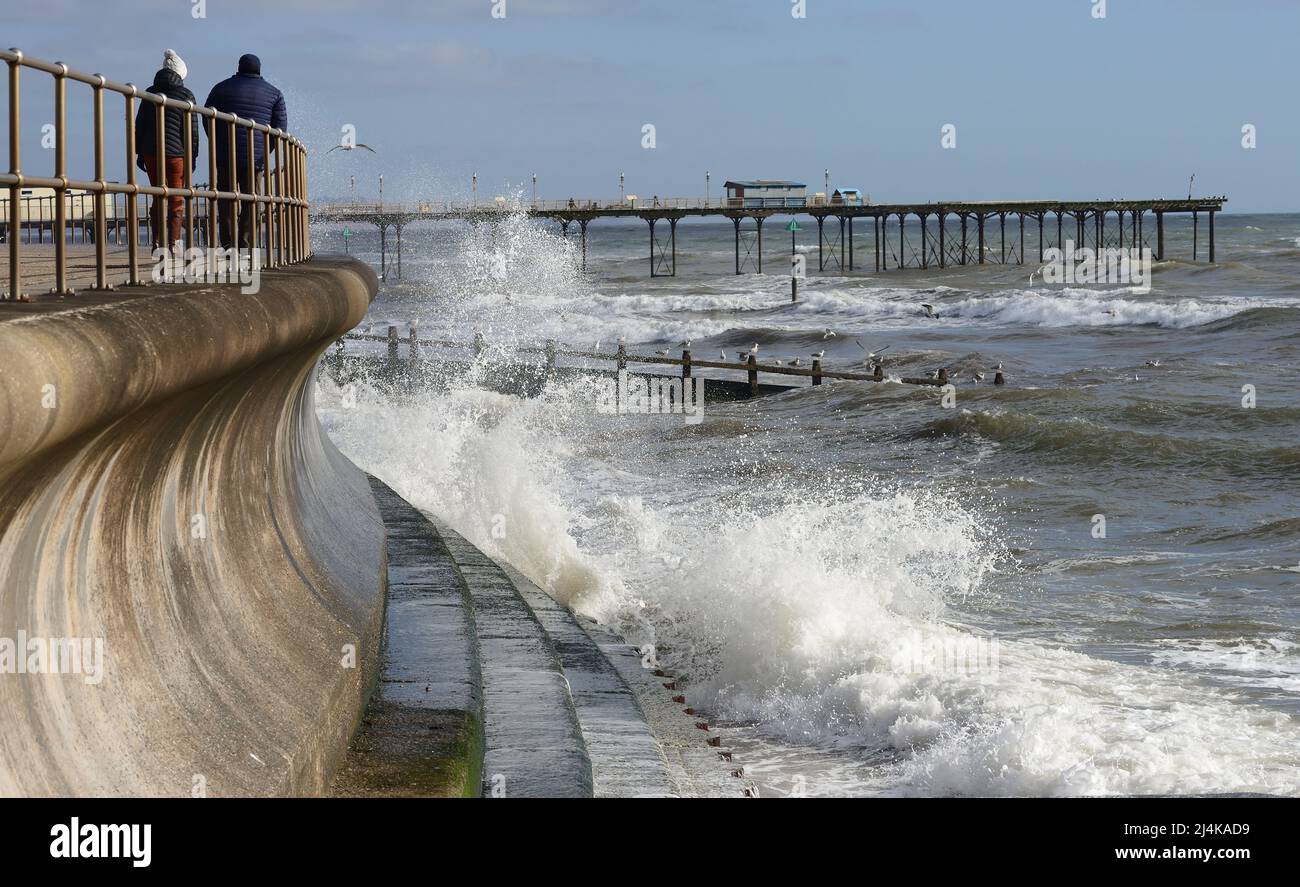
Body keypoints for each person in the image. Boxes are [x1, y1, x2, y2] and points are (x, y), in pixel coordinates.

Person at [204, 54, 287, 251]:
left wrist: (217, 142)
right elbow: (280, 129)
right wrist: (267, 151)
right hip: (255, 157)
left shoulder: (220, 88)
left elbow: (207, 116)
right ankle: (246, 245)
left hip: (225, 155)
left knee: (225, 196)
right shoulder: (274, 93)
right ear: (259, 69)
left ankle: (227, 244)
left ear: (239, 67)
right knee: (252, 199)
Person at [134, 49, 200, 252]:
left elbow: (140, 125)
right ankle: (174, 244)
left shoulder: (149, 93)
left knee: (157, 196)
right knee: (176, 199)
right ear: (181, 74)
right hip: (176, 154)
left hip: (151, 153)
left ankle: (156, 243)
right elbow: (192, 131)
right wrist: (193, 156)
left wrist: (139, 153)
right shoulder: (186, 95)